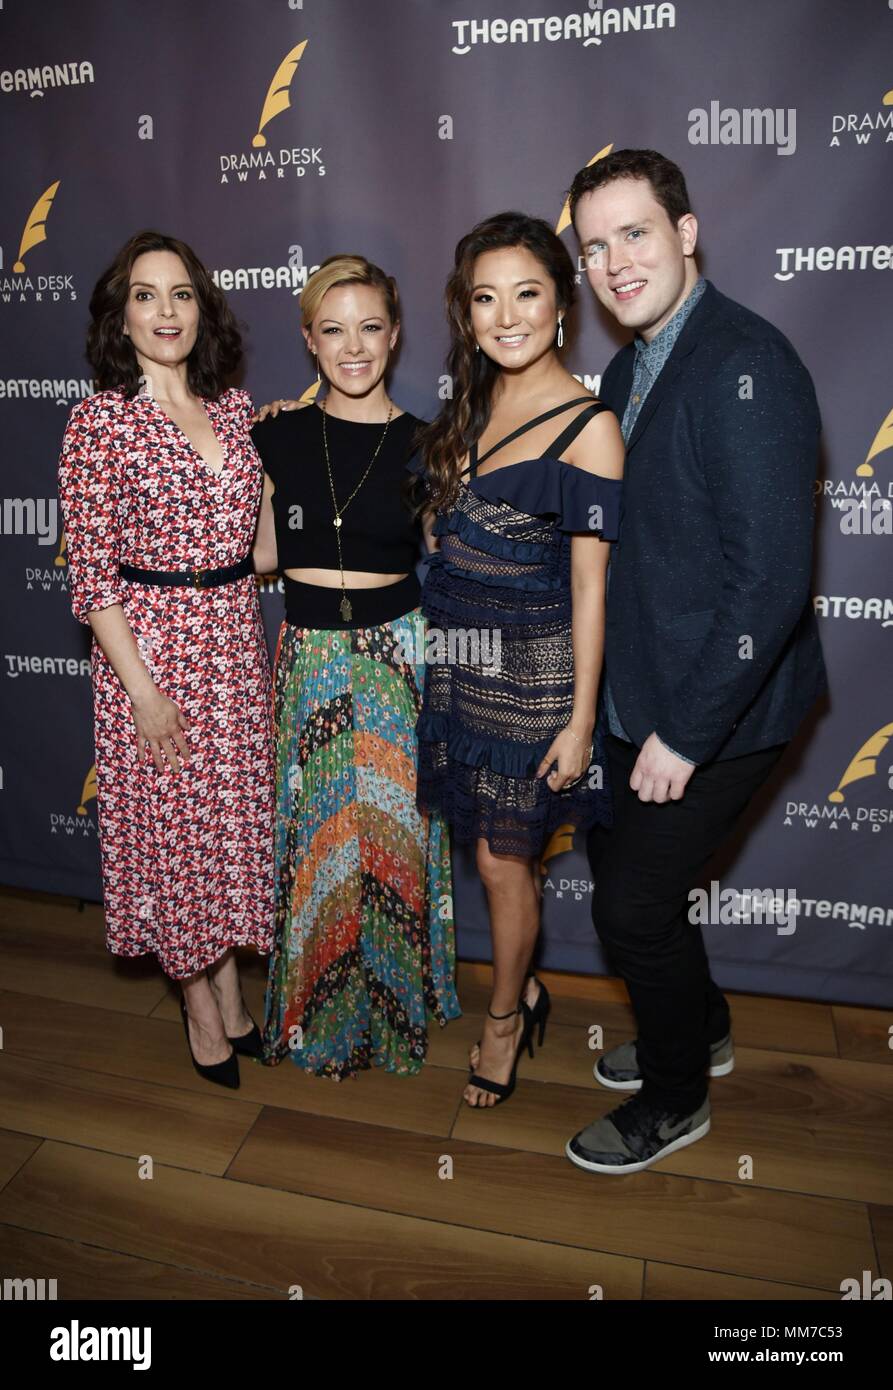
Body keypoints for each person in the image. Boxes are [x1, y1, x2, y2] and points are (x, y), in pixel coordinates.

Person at [563, 149, 827, 1174]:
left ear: (684, 232)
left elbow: (766, 587)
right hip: (649, 683)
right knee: (630, 880)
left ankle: (676, 1098)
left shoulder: (742, 363)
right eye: (593, 245)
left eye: (634, 233)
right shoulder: (633, 363)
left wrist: (681, 733)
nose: (614, 261)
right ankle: (700, 1026)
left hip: (726, 702)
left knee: (629, 906)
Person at [410, 212, 624, 1108]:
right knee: (490, 856)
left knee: (503, 863)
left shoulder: (589, 427)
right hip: (459, 668)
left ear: (563, 304)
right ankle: (522, 985)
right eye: (484, 298)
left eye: (526, 293)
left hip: (531, 685)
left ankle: (502, 1022)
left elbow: (589, 591)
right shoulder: (470, 398)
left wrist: (578, 723)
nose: (505, 316)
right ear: (464, 313)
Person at [57, 230, 275, 1090]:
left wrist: (279, 467)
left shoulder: (233, 410)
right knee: (173, 841)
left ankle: (227, 987)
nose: (165, 311)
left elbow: (256, 554)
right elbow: (93, 575)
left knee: (221, 832)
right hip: (149, 658)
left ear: (202, 308)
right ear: (120, 316)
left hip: (231, 641)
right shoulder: (99, 422)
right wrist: (142, 692)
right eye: (145, 296)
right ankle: (198, 1008)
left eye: (180, 294)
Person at [249, 255, 460, 1081]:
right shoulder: (273, 434)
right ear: (308, 339)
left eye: (369, 327)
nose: (353, 346)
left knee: (394, 834)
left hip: (395, 654)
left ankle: (399, 1008)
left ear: (395, 333)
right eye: (333, 330)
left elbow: (445, 563)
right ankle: (317, 1014)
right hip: (307, 654)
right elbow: (265, 552)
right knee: (321, 838)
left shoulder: (425, 445)